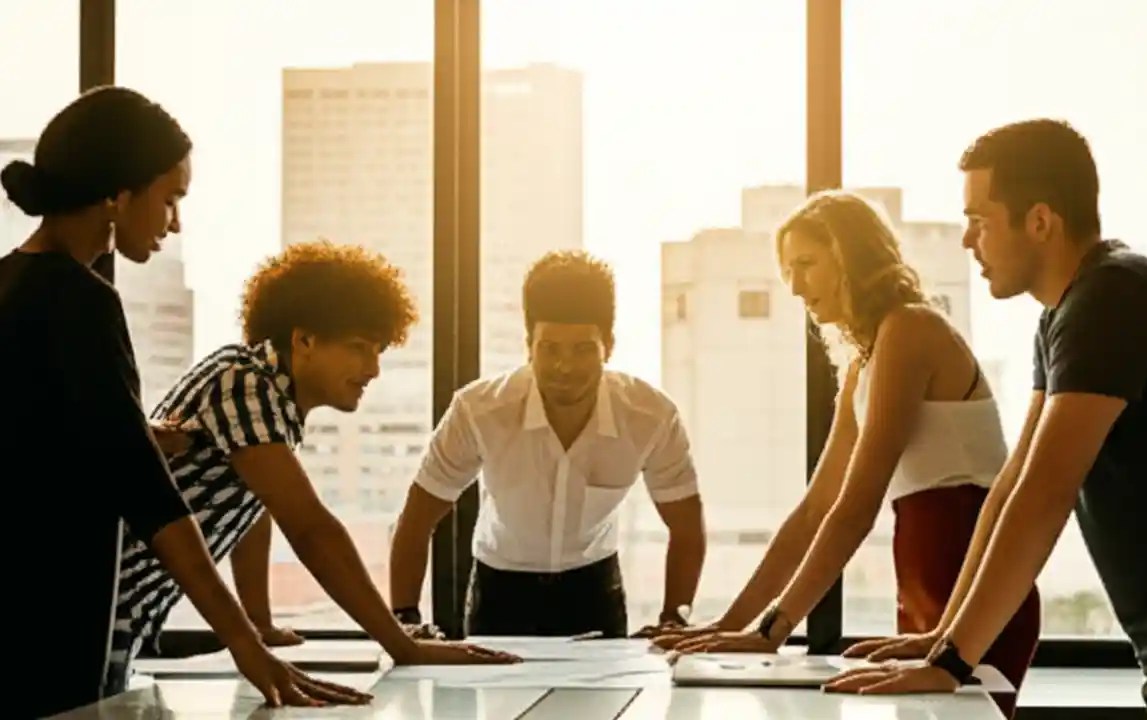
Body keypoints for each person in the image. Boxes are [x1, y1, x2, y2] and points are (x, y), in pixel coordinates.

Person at [823, 119, 1147, 720]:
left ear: (1039, 221)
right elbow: (1013, 483)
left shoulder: (1110, 299)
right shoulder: (1068, 312)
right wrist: (945, 639)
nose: (966, 240)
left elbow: (1045, 496)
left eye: (979, 221)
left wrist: (953, 663)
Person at [0, 86, 370, 718]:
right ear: (118, 192)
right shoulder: (82, 300)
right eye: (170, 198)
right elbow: (148, 497)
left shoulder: (9, 282)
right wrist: (247, 647)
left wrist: (135, 434)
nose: (175, 222)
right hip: (47, 616)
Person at [651, 190, 1039, 717]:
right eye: (788, 269)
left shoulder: (911, 329)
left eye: (807, 264)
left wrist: (772, 630)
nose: (793, 287)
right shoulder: (866, 362)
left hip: (974, 590)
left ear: (851, 256)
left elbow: (856, 508)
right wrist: (731, 626)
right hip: (924, 589)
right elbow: (816, 510)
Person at [107, 239, 520, 693]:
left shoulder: (271, 400)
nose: (373, 369)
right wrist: (402, 645)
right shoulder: (246, 383)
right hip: (90, 606)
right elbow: (311, 530)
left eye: (378, 350)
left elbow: (254, 502)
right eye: (360, 348)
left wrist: (259, 621)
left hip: (124, 614)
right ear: (304, 341)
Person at [389, 250, 706, 639]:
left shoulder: (651, 416)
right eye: (550, 348)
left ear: (608, 344)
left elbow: (687, 528)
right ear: (528, 345)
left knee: (605, 701)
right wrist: (404, 619)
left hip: (595, 590)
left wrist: (674, 618)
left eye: (583, 349)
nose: (565, 367)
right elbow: (417, 520)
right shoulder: (479, 410)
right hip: (499, 591)